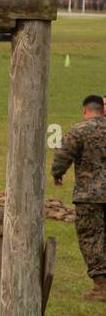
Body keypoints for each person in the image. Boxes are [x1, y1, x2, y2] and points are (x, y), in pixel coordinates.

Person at [51, 94, 106, 301]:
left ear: (85, 110)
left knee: (91, 238)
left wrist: (58, 175)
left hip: (89, 196)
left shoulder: (79, 130)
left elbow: (62, 156)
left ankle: (101, 286)